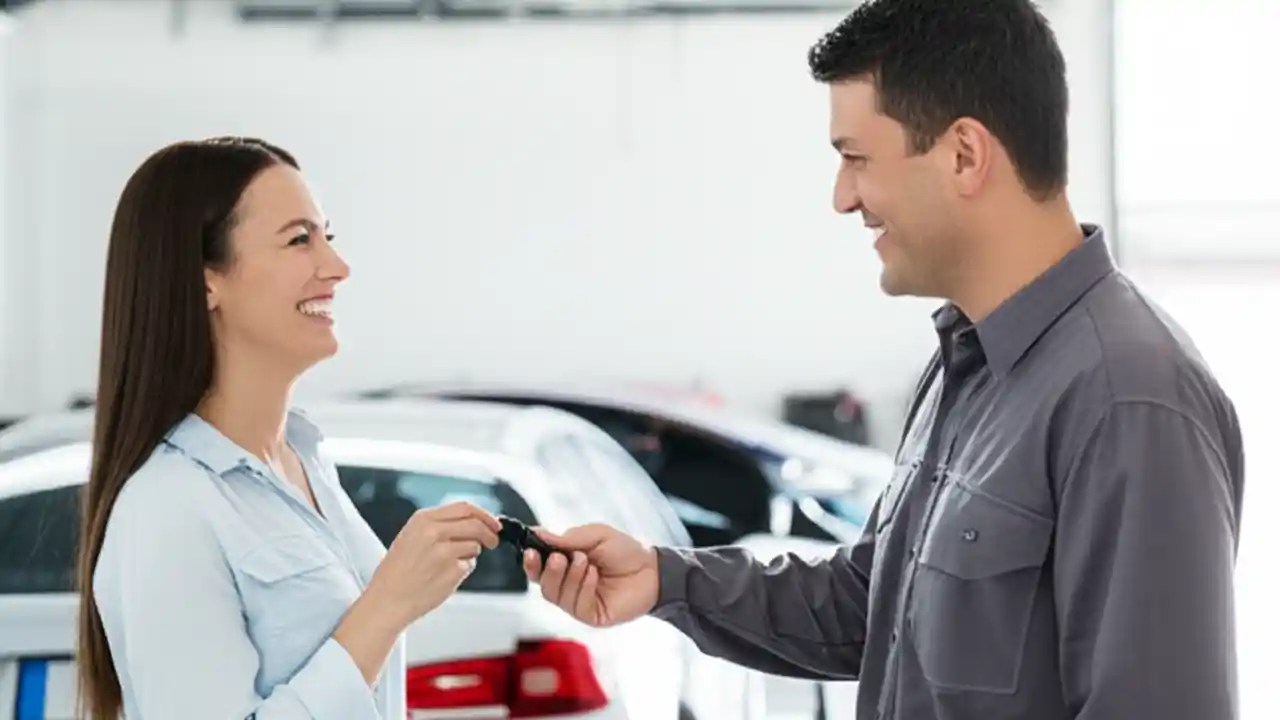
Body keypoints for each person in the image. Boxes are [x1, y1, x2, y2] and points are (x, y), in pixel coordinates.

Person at [523, 1, 1246, 719]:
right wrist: (663, 580)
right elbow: (876, 607)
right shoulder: (966, 365)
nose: (843, 199)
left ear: (965, 154)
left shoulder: (1128, 398)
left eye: (855, 158)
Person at [75, 137, 503, 720]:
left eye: (328, 236)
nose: (337, 266)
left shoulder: (306, 464)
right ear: (206, 283)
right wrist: (388, 605)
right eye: (300, 240)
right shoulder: (166, 508)